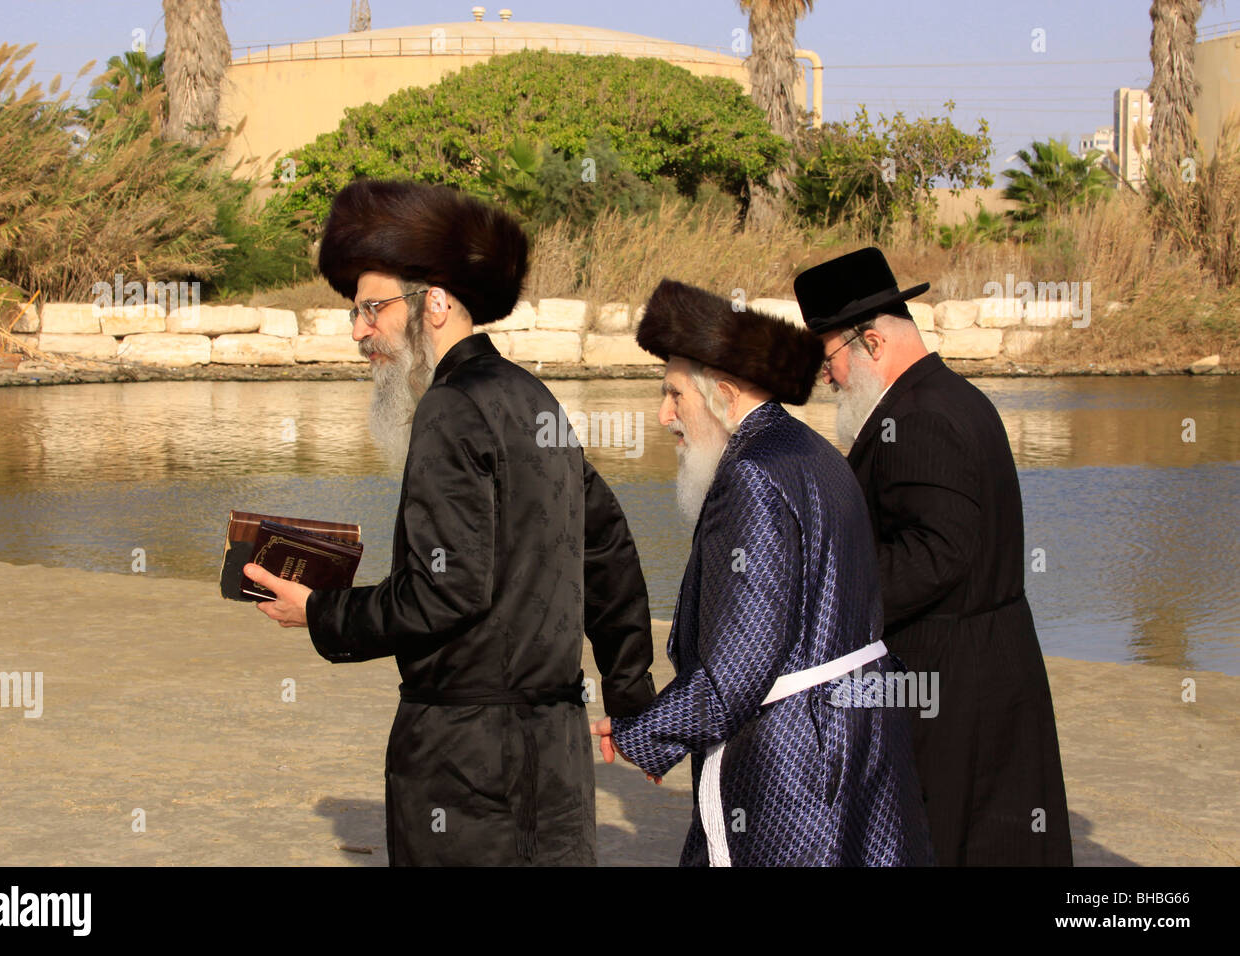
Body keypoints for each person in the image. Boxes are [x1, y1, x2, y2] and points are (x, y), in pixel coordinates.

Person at [244, 179, 656, 866]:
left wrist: (322, 613)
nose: (358, 332)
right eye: (355, 314)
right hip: (553, 758)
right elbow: (607, 547)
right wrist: (631, 694)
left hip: (468, 765)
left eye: (372, 309)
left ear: (432, 301)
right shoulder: (532, 397)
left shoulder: (449, 408)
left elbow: (446, 591)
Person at [591, 279, 933, 867]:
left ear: (722, 394)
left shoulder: (750, 475)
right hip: (856, 736)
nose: (663, 414)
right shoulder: (812, 450)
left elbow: (738, 669)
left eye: (675, 395)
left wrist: (643, 734)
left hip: (792, 759)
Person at [795, 246, 1072, 866]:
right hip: (983, 665)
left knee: (946, 839)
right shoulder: (951, 397)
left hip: (948, 685)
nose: (828, 379)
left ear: (870, 343)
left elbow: (936, 553)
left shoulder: (919, 418)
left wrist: (825, 596)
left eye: (829, 360)